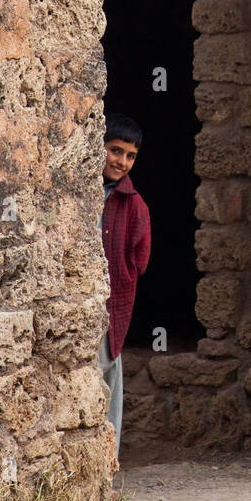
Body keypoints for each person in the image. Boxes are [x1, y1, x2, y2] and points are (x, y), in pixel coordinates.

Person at [98, 113, 151, 457]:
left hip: (112, 307)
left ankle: (105, 465)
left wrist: (121, 277)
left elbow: (140, 258)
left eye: (130, 156)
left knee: (108, 378)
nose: (122, 162)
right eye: (115, 151)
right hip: (83, 305)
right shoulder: (80, 193)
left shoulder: (133, 204)